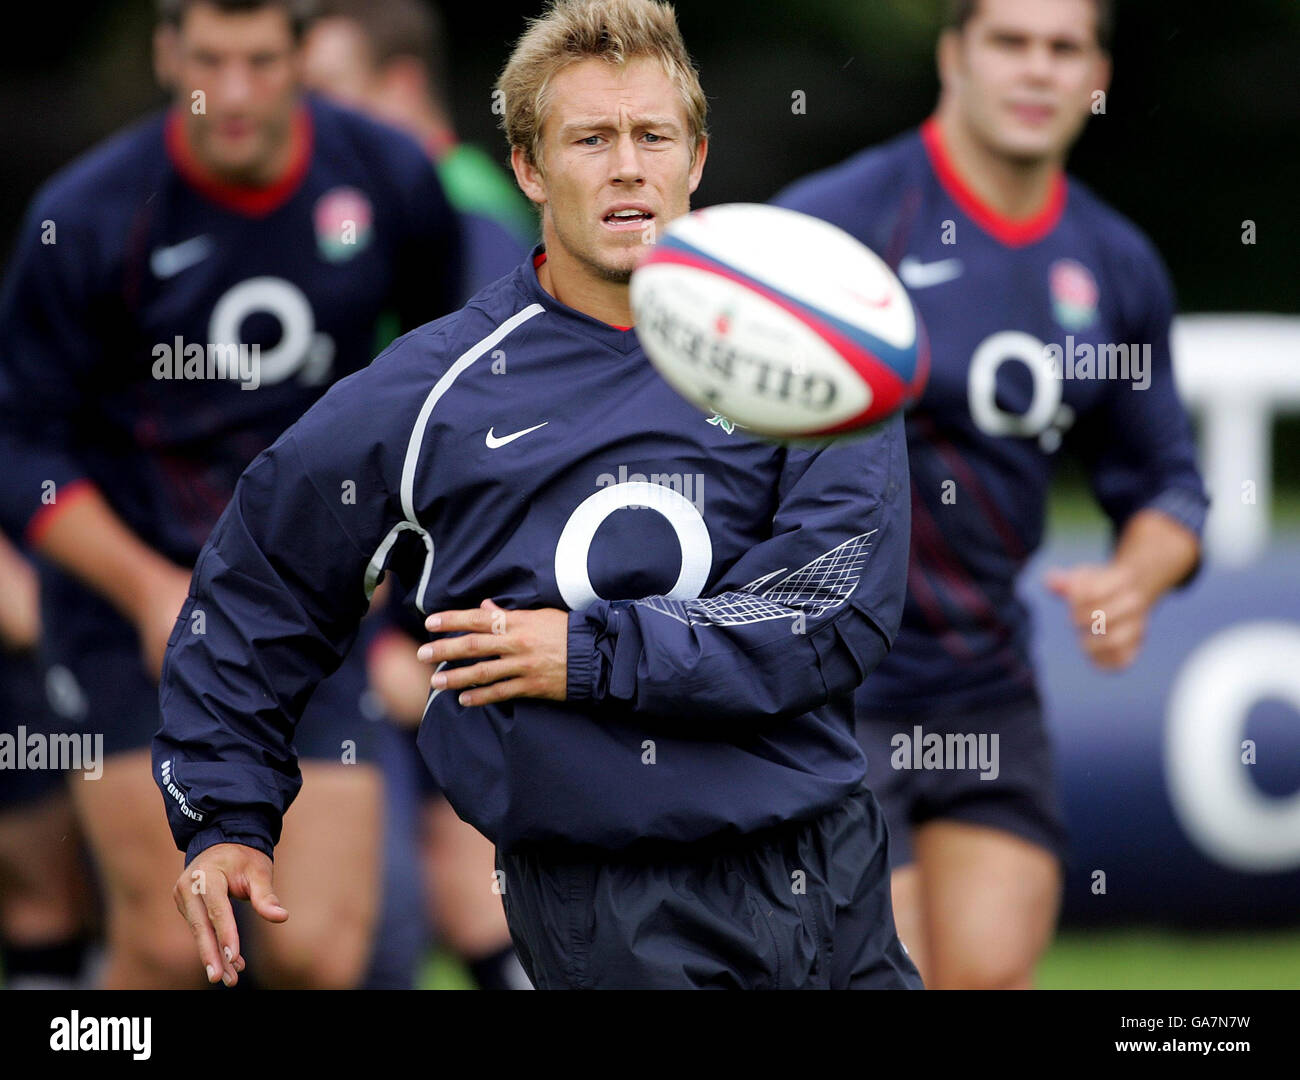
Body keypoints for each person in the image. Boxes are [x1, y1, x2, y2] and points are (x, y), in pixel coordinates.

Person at [154, 0, 921, 990]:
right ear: (527, 167)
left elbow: (834, 608)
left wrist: (589, 654)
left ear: (695, 158)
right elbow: (262, 585)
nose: (627, 167)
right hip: (605, 893)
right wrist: (226, 814)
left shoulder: (805, 350)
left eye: (652, 136)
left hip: (827, 862)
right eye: (589, 139)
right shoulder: (429, 392)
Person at [0, 0, 462, 988]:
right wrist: (146, 589)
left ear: (304, 53)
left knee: (314, 956)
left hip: (306, 600)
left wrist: (384, 551)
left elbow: (445, 375)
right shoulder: (87, 215)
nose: (237, 94)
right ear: (168, 54)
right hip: (129, 606)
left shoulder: (388, 179)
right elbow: (21, 442)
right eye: (212, 60)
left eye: (261, 60)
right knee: (177, 943)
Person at [774, 0, 1207, 989]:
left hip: (987, 689)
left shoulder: (1113, 264)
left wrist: (1133, 579)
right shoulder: (835, 224)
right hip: (833, 692)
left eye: (1064, 48)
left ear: (1096, 70)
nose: (1037, 70)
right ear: (952, 55)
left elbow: (1168, 483)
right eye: (1009, 41)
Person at [301, 0, 533, 990]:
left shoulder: (456, 202)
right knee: (447, 875)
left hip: (427, 612)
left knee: (384, 916)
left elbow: (479, 427)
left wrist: (408, 633)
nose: (300, 124)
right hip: (387, 602)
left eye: (324, 97)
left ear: (398, 88)